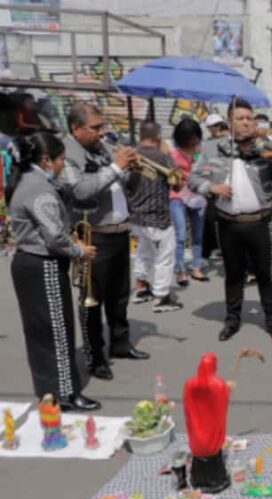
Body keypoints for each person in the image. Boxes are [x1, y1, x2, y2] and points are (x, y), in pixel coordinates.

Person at [7, 132, 101, 411]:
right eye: (61, 160)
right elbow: (54, 236)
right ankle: (66, 393)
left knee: (38, 333)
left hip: (27, 263)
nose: (62, 165)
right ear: (46, 160)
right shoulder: (39, 189)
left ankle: (48, 391)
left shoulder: (23, 181)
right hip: (42, 264)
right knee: (58, 330)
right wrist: (79, 250)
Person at [188, 98, 272, 342]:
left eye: (250, 119)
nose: (247, 123)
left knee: (265, 274)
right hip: (227, 222)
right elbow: (192, 179)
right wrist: (211, 186)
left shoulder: (266, 148)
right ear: (229, 123)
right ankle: (232, 320)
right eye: (241, 119)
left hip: (259, 222)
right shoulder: (213, 149)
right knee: (233, 274)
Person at [60, 103, 150, 382]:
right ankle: (95, 356)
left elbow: (127, 187)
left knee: (119, 295)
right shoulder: (67, 154)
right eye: (96, 127)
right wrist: (116, 166)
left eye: (103, 125)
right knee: (91, 300)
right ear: (76, 128)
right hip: (93, 234)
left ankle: (121, 344)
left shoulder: (101, 149)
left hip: (119, 231)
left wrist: (132, 170)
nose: (103, 132)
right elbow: (81, 189)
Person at [128, 121, 183, 312]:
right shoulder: (163, 157)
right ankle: (162, 296)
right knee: (165, 257)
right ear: (157, 137)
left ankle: (141, 286)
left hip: (135, 216)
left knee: (144, 253)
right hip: (157, 217)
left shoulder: (129, 155)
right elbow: (177, 185)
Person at [170, 118, 208, 286]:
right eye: (189, 137)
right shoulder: (173, 154)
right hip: (177, 196)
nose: (193, 140)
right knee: (180, 235)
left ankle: (196, 267)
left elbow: (207, 171)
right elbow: (171, 176)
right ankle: (180, 270)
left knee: (198, 235)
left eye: (195, 136)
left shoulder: (201, 152)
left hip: (198, 197)